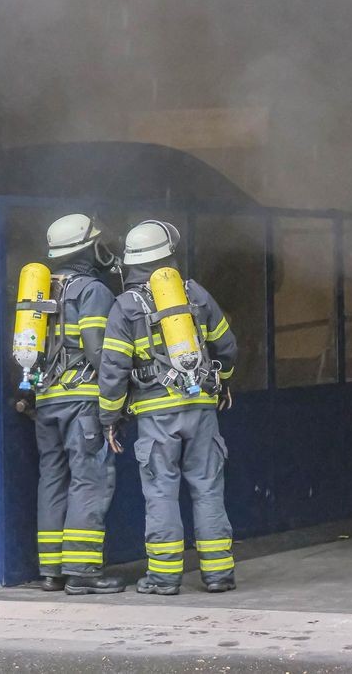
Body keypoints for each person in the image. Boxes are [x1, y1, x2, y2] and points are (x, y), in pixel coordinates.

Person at [98, 220, 238, 595]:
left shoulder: (125, 307)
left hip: (156, 416)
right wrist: (222, 380)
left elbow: (113, 368)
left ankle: (163, 578)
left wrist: (110, 417)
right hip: (201, 407)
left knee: (160, 493)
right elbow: (227, 347)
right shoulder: (196, 294)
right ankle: (219, 574)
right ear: (168, 255)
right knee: (208, 489)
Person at [30, 214, 125, 594]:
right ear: (89, 248)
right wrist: (115, 401)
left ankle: (51, 570)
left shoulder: (39, 291)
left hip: (46, 399)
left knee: (52, 478)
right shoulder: (92, 290)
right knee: (90, 479)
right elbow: (98, 349)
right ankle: (83, 572)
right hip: (82, 401)